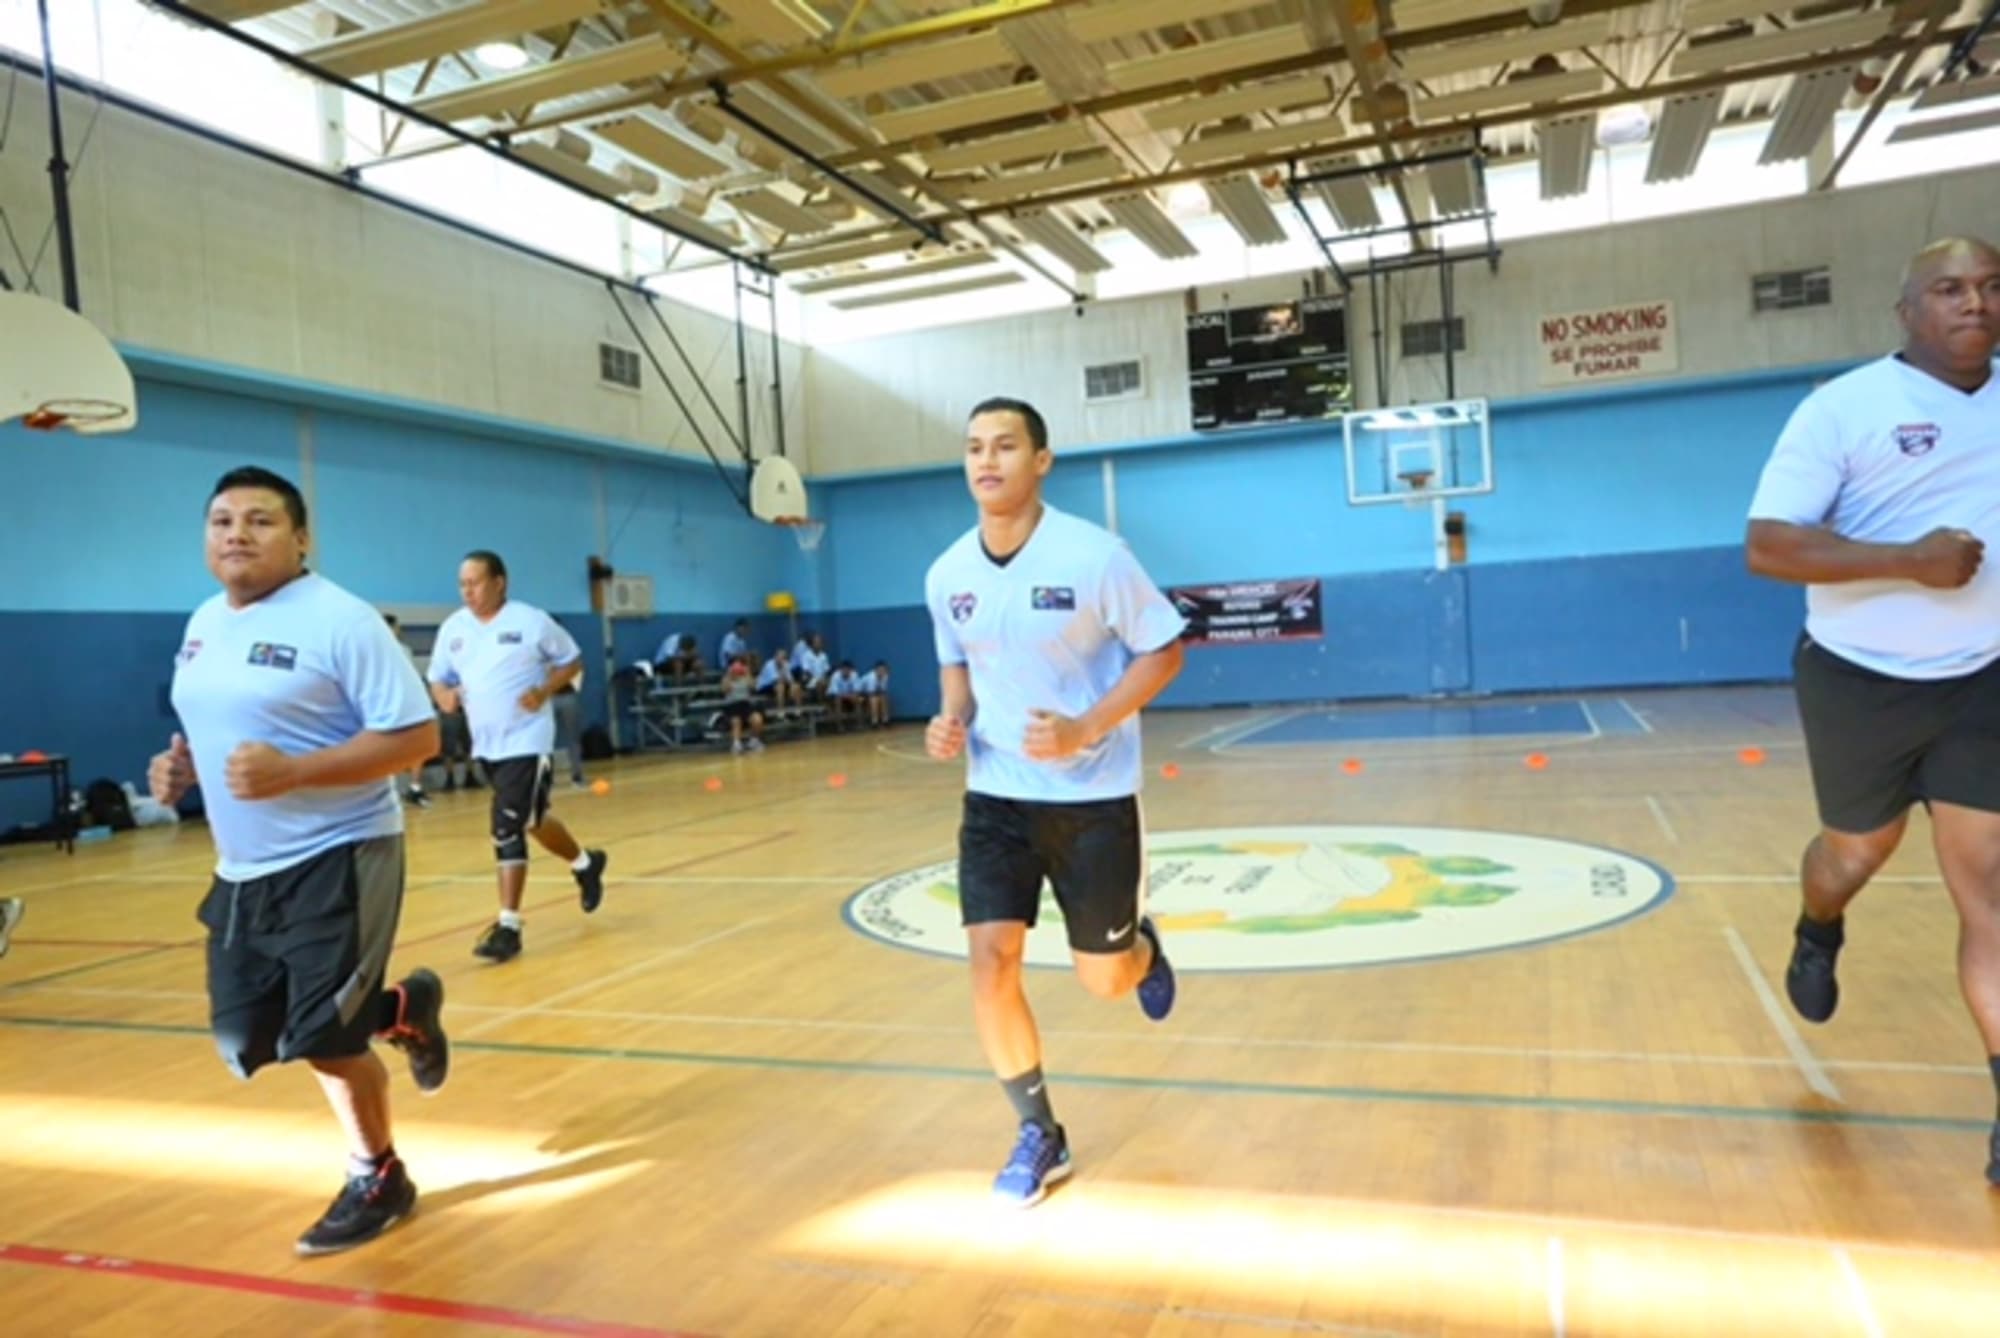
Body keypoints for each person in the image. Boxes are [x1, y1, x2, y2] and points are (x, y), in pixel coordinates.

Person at [1745, 236, 2000, 1181]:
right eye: (1949, 288)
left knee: (1989, 890)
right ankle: (1820, 924)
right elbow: (1767, 547)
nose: (1973, 302)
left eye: (1990, 286)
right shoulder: (1844, 408)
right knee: (1857, 852)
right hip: (1860, 678)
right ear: (1908, 310)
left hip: (1985, 680)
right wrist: (1909, 560)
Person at [149, 465, 448, 1256]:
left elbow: (418, 739)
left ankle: (377, 1175)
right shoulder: (205, 620)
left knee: (324, 1040)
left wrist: (294, 773)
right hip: (244, 866)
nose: (237, 534)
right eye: (221, 521)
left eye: (260, 520)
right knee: (246, 1037)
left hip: (341, 852)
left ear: (301, 537)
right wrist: (181, 772)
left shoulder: (342, 620)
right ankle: (400, 1012)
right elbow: (216, 728)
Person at [924, 396, 1186, 1208]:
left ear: (1041, 461)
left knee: (1104, 982)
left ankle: (1140, 947)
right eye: (974, 448)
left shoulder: (1095, 555)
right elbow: (958, 672)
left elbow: (1165, 651)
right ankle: (1040, 1130)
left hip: (1095, 798)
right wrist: (951, 722)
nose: (986, 461)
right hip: (995, 800)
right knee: (989, 964)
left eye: (1005, 446)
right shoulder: (946, 573)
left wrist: (1084, 729)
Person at [428, 551, 608, 964]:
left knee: (506, 826)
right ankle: (585, 864)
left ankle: (508, 926)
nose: (467, 591)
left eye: (475, 582)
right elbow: (438, 677)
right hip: (486, 744)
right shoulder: (453, 629)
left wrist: (543, 691)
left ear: (499, 582)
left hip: (527, 740)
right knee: (531, 819)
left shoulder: (530, 621)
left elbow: (572, 661)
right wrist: (444, 697)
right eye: (463, 584)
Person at [382, 613, 431, 808]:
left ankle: (415, 787)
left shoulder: (404, 650)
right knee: (387, 751)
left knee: (417, 748)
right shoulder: (374, 650)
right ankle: (390, 791)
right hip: (386, 708)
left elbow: (410, 678)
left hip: (406, 705)